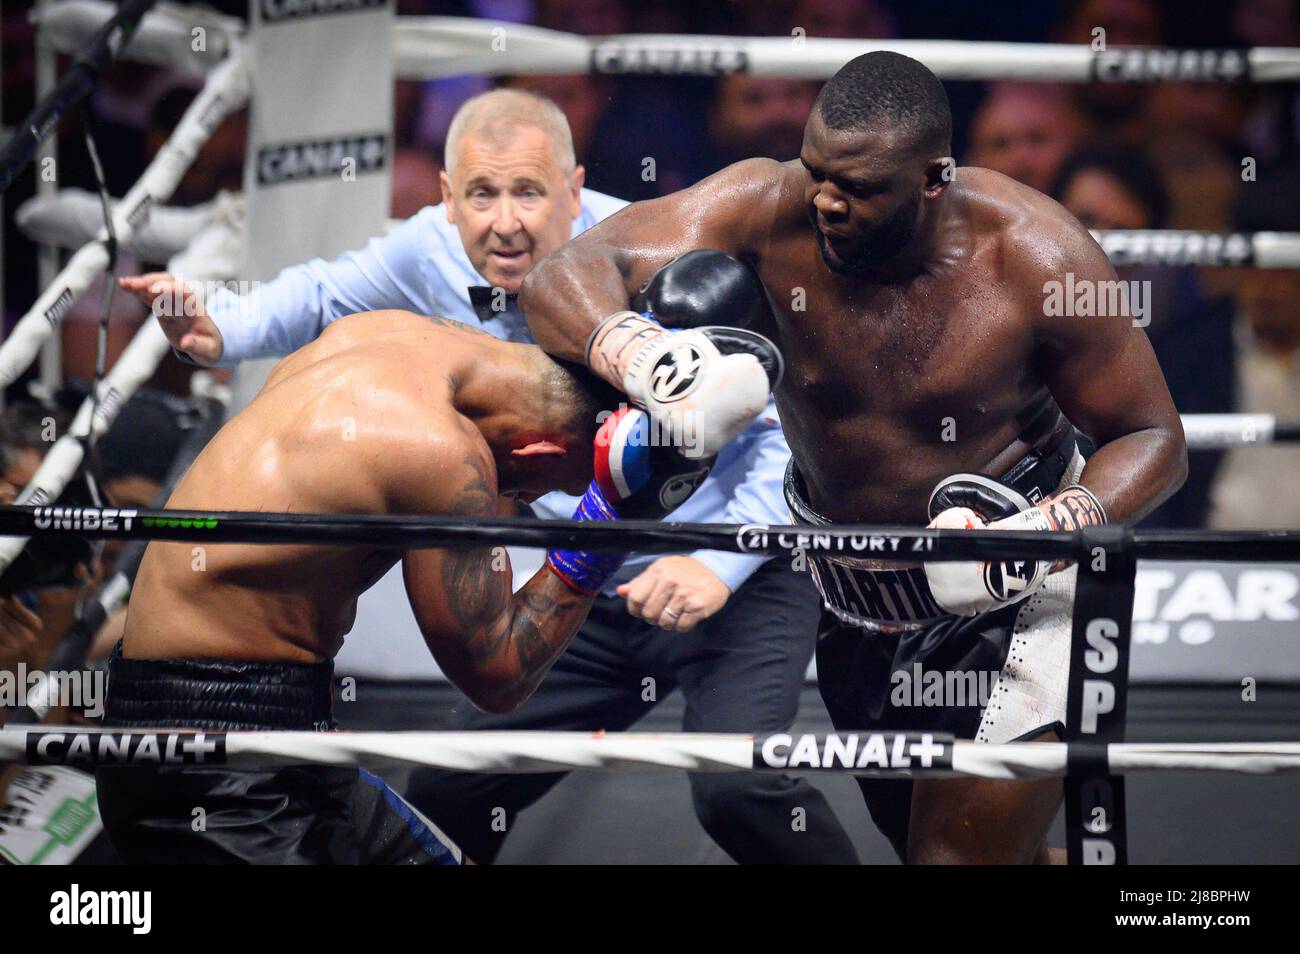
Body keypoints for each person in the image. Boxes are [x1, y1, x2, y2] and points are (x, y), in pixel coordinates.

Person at [120, 88, 858, 864]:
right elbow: (496, 674)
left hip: (725, 565)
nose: (506, 221)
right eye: (483, 194)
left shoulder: (646, 260)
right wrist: (222, 328)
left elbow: (785, 428)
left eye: (530, 192)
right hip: (225, 732)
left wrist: (717, 563)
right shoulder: (435, 426)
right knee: (457, 787)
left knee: (741, 787)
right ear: (447, 200)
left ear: (573, 190)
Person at [516, 52, 1188, 864]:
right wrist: (641, 357)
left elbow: (1154, 438)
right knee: (931, 848)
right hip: (859, 598)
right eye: (817, 172)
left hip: (1025, 590)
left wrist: (1039, 536)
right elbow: (572, 270)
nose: (827, 201)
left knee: (953, 860)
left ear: (935, 178)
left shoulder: (1038, 255)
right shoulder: (769, 206)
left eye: (859, 187)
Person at [94, 309, 717, 864]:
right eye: (552, 484)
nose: (527, 500)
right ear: (535, 449)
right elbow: (499, 675)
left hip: (266, 728)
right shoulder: (438, 453)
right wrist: (607, 521)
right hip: (213, 767)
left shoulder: (387, 333)